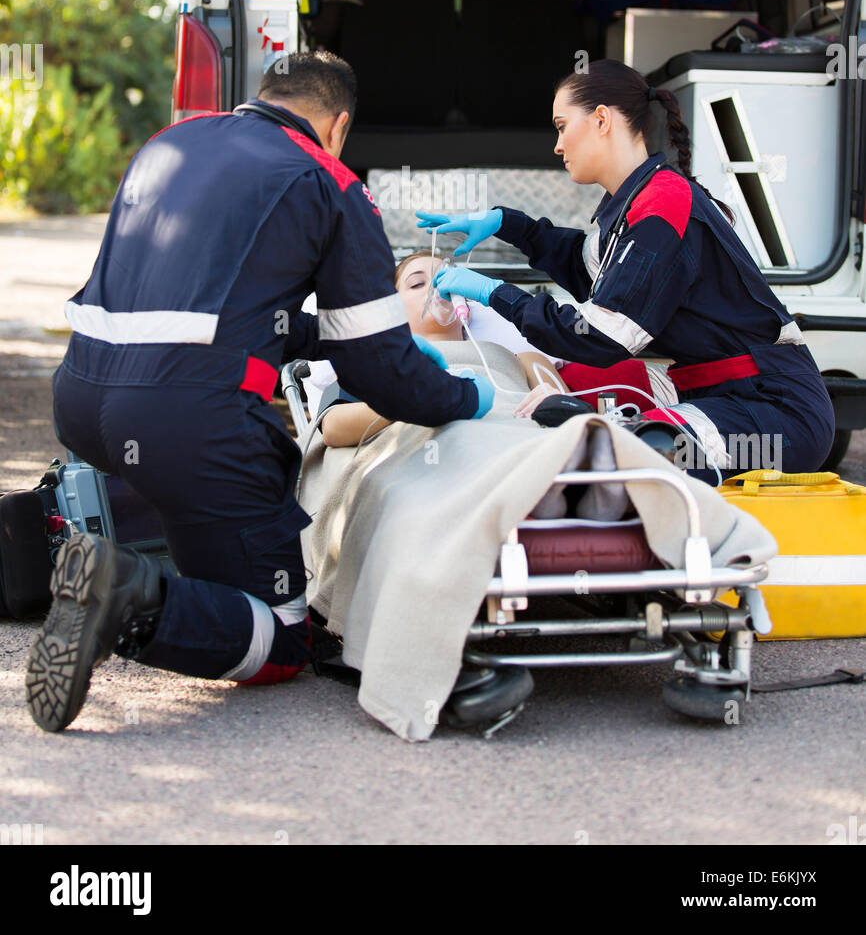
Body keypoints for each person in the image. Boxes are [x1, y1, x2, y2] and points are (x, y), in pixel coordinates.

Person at [27, 51, 493, 733]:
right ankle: (130, 592)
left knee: (222, 586)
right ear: (336, 126)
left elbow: (216, 308)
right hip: (189, 425)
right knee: (280, 641)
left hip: (83, 402)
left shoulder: (169, 145)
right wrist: (461, 399)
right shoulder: (330, 181)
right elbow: (378, 370)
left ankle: (128, 586)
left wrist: (312, 336)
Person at [421, 59, 835, 484]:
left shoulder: (664, 205)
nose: (557, 146)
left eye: (562, 126)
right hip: (710, 389)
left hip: (775, 412)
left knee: (626, 452)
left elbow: (604, 336)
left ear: (601, 119)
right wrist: (508, 224)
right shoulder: (637, 204)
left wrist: (495, 293)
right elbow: (588, 269)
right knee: (574, 384)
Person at [317, 249, 563, 448]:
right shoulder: (372, 362)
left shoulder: (524, 361)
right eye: (416, 284)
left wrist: (554, 402)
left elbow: (577, 415)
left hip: (519, 448)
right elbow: (333, 429)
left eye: (446, 279)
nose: (436, 288)